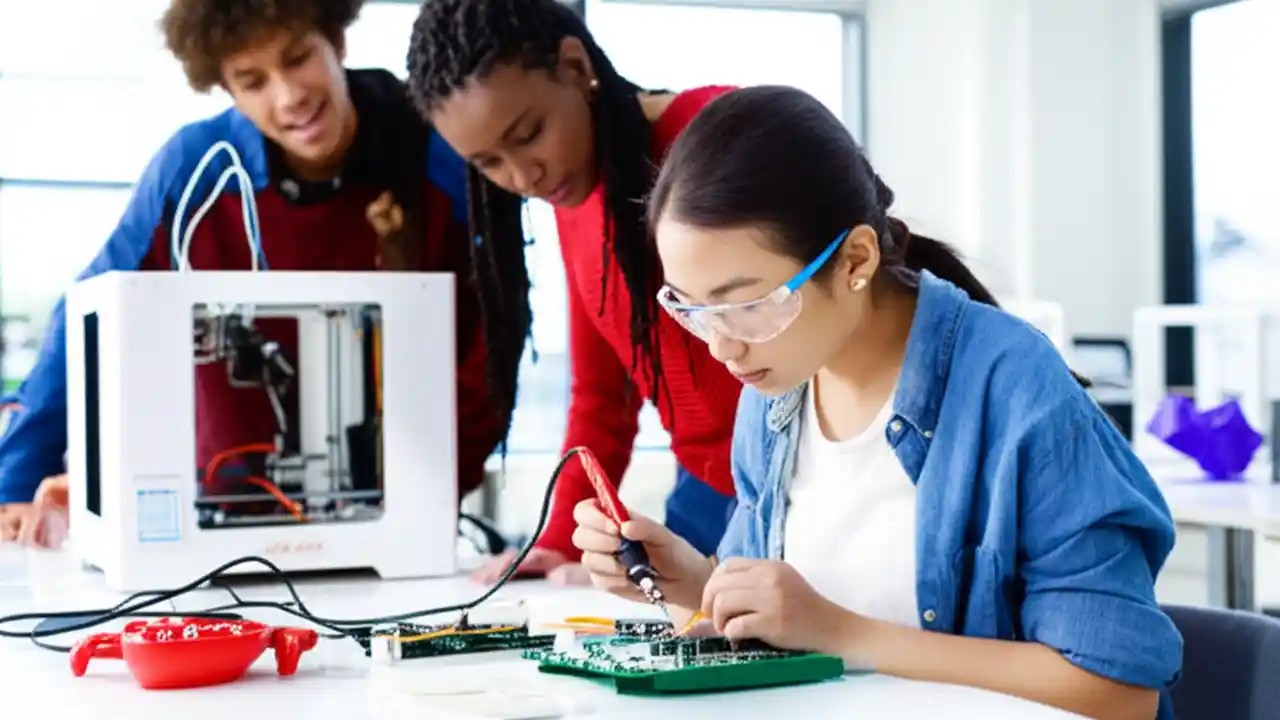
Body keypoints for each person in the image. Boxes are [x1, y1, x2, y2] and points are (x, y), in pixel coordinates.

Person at [573, 86, 1183, 720]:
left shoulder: (1017, 390)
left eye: (749, 305)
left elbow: (1120, 694)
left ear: (856, 260)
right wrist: (695, 583)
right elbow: (785, 630)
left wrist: (842, 635)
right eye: (694, 310)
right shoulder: (776, 388)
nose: (723, 348)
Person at [0, 0, 521, 546]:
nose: (288, 95)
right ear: (227, 90)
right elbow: (87, 316)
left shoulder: (439, 151)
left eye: (299, 58)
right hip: (222, 505)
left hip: (398, 510)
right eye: (253, 81)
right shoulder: (194, 169)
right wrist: (19, 471)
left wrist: (437, 484)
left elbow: (494, 334)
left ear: (337, 42)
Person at [407, 0, 743, 584]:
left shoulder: (715, 131)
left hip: (810, 489)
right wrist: (558, 540)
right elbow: (601, 395)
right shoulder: (575, 199)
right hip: (704, 499)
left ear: (573, 66)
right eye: (488, 163)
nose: (522, 178)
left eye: (529, 133)